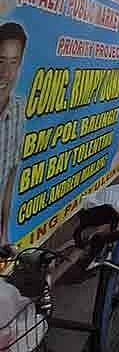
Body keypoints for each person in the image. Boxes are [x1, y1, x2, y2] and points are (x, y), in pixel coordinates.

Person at [0, 22, 26, 245]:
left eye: (13, 62)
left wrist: (4, 234)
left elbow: (10, 177)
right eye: (0, 61)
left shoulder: (19, 110)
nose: (5, 73)